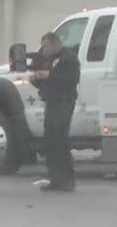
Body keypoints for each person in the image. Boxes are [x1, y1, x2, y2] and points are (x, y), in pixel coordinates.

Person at [30, 31, 81, 192]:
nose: (43, 50)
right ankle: (55, 179)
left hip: (64, 102)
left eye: (45, 46)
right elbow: (47, 83)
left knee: (60, 139)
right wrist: (37, 80)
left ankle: (67, 179)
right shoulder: (48, 60)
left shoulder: (69, 58)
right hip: (51, 102)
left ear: (54, 44)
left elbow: (68, 80)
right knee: (50, 140)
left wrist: (48, 75)